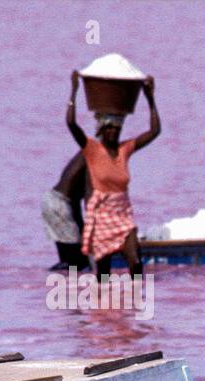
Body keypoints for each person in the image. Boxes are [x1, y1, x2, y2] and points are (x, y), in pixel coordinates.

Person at [65, 71, 160, 283]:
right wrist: (74, 90)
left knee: (135, 262)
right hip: (101, 217)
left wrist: (150, 97)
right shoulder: (92, 149)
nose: (114, 133)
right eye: (109, 129)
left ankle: (136, 304)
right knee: (104, 276)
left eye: (117, 129)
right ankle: (103, 312)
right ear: (102, 130)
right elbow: (71, 124)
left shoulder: (125, 149)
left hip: (123, 216)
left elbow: (154, 131)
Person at [42, 152, 89, 271]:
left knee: (68, 261)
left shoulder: (83, 156)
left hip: (52, 201)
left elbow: (75, 200)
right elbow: (88, 202)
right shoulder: (93, 160)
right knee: (78, 263)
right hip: (61, 205)